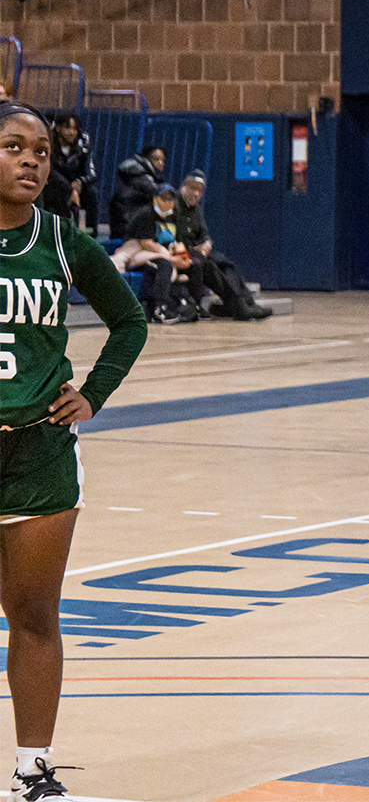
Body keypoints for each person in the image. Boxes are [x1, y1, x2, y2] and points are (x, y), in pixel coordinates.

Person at [0, 101, 147, 801]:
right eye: (13, 146)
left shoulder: (61, 241)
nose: (31, 160)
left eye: (40, 151)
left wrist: (93, 393)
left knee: (34, 618)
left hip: (40, 453)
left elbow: (129, 320)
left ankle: (32, 771)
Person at [176, 170, 271, 320]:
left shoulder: (196, 210)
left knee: (227, 265)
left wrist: (207, 245)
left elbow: (205, 235)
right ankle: (239, 307)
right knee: (211, 268)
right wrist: (196, 249)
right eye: (192, 189)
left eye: (200, 191)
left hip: (200, 253)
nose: (196, 194)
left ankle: (248, 303)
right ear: (183, 187)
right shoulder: (175, 205)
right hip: (184, 253)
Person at [121, 185, 202, 324]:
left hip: (165, 253)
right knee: (165, 264)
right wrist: (171, 258)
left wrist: (181, 256)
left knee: (195, 264)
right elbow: (146, 243)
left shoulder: (173, 216)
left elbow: (175, 241)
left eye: (170, 199)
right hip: (141, 253)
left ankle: (194, 305)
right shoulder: (146, 214)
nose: (167, 202)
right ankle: (160, 308)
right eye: (163, 198)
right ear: (155, 199)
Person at [47, 116, 95, 230]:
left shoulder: (82, 147)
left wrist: (80, 182)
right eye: (67, 128)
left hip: (76, 185)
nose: (71, 132)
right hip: (57, 185)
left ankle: (91, 229)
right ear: (58, 128)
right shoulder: (50, 146)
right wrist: (70, 188)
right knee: (58, 192)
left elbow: (91, 172)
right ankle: (62, 228)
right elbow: (50, 171)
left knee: (92, 192)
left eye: (74, 129)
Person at [109, 145, 163, 240]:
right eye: (156, 159)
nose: (160, 163)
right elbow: (151, 190)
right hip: (128, 220)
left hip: (130, 218)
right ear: (147, 158)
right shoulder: (135, 171)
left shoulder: (148, 175)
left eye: (162, 160)